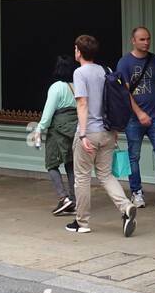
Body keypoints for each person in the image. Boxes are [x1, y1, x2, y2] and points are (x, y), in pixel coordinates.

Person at [66, 34, 138, 236]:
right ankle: (125, 206)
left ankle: (82, 222)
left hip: (89, 132)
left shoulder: (80, 73)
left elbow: (82, 103)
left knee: (82, 177)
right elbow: (113, 103)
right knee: (106, 175)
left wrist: (82, 135)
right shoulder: (105, 70)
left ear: (79, 52)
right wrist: (114, 131)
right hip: (108, 131)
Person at [117, 26, 155, 212]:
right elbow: (125, 92)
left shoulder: (154, 61)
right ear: (133, 41)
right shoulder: (125, 63)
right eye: (142, 39)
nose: (146, 42)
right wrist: (139, 113)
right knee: (134, 156)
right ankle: (136, 192)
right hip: (133, 119)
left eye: (148, 39)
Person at [35, 54, 78, 215]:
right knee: (71, 165)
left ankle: (63, 198)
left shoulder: (56, 87)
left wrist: (40, 128)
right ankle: (75, 201)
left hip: (57, 130)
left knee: (51, 164)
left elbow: (48, 113)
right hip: (75, 127)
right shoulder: (77, 86)